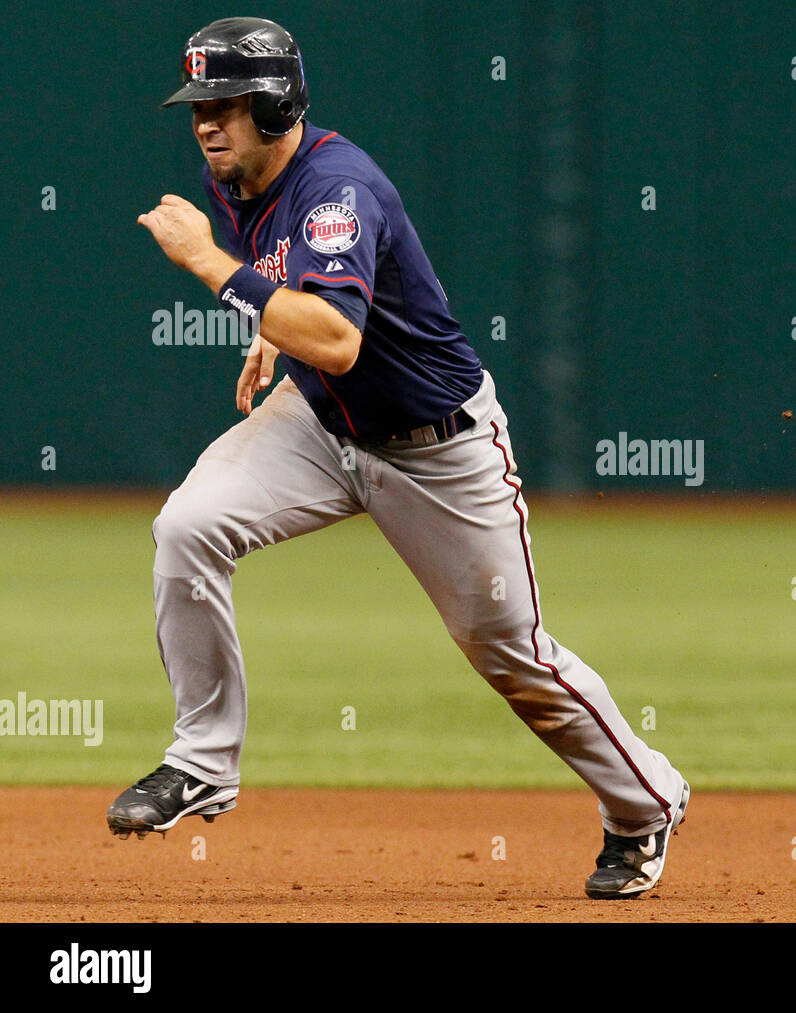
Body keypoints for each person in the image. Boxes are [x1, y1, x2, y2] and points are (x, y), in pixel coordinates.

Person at [107, 17, 688, 900]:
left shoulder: (338, 186)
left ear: (276, 103)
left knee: (508, 651)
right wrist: (273, 330)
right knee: (187, 526)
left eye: (224, 105)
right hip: (321, 425)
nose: (205, 124)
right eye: (198, 107)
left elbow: (336, 337)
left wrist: (219, 273)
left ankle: (646, 803)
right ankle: (203, 762)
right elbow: (308, 312)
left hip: (438, 450)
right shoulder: (230, 180)